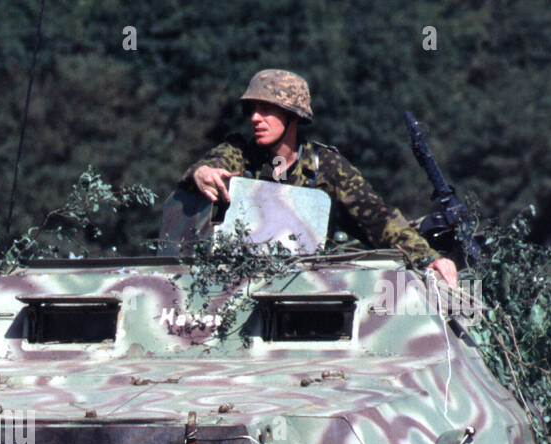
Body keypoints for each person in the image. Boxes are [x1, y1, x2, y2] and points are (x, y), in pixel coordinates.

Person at [183, 69, 458, 287]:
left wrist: (428, 258)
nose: (255, 118)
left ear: (292, 115)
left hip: (306, 286)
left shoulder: (325, 166)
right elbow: (213, 164)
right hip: (237, 282)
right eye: (251, 109)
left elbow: (378, 219)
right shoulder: (239, 153)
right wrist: (202, 172)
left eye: (266, 109)